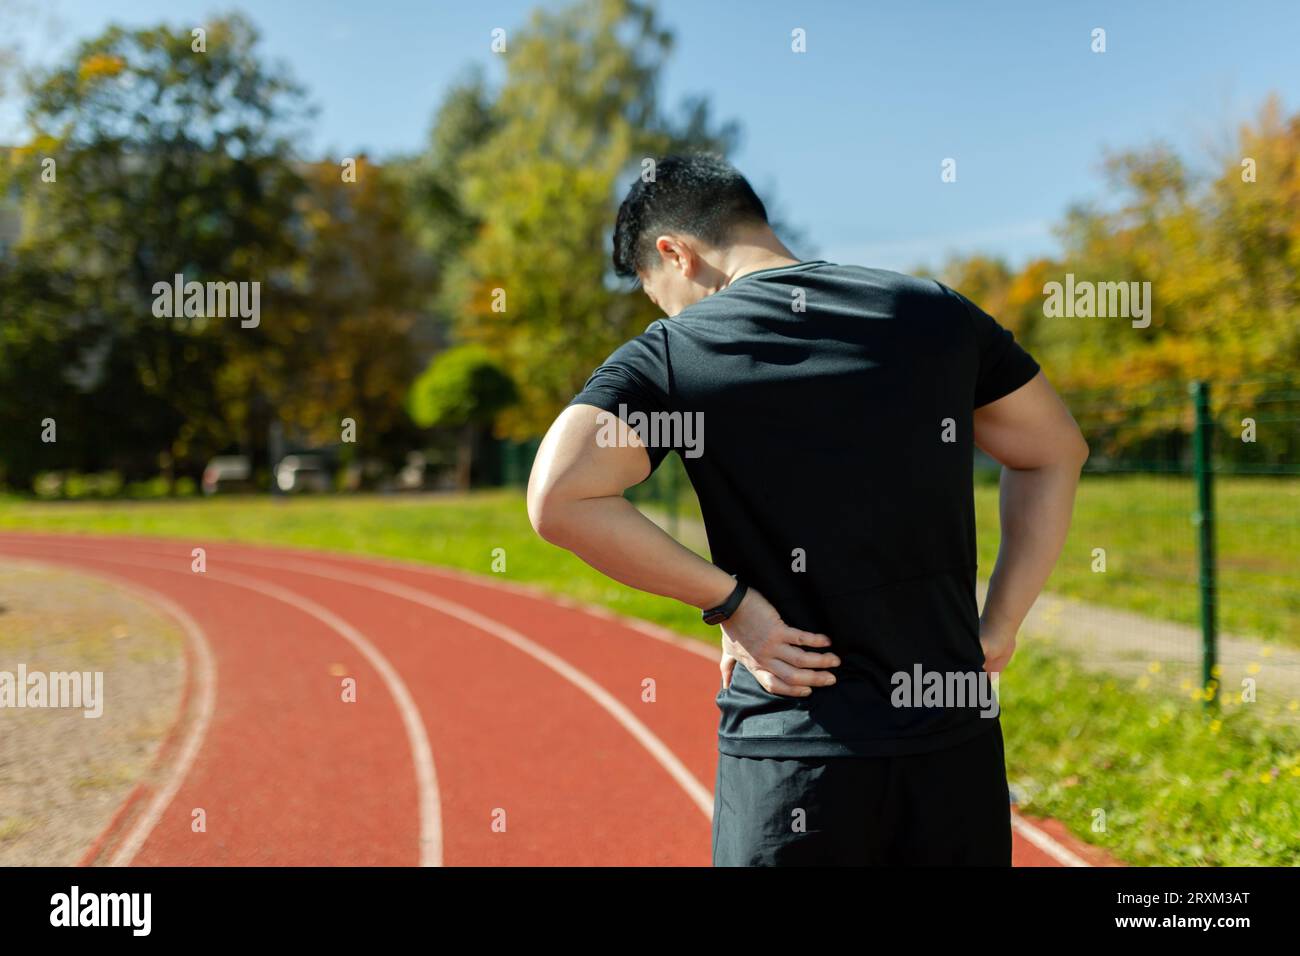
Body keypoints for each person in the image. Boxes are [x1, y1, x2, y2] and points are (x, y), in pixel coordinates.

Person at [526, 154, 1089, 866]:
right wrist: (999, 624)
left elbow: (559, 498)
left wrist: (733, 605)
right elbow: (1055, 451)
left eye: (653, 289)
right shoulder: (933, 312)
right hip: (952, 745)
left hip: (792, 751)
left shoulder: (676, 351)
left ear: (676, 252)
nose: (663, 308)